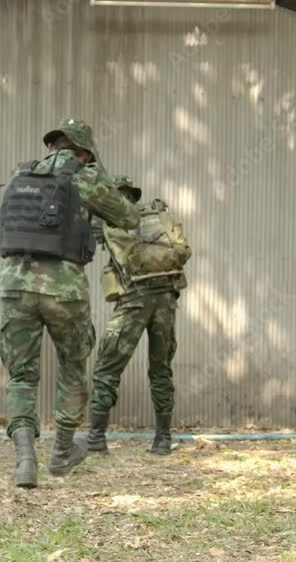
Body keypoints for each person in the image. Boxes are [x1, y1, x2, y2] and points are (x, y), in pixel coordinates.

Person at [0, 119, 138, 489]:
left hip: (14, 285)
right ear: (85, 152)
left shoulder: (21, 173)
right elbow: (128, 217)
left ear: (51, 147)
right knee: (73, 366)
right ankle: (61, 452)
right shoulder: (86, 177)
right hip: (65, 289)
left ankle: (25, 459)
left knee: (20, 375)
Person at [86, 176, 192, 455]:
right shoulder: (155, 215)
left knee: (107, 367)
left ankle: (96, 438)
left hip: (134, 299)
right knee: (161, 369)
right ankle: (163, 439)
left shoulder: (107, 221)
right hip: (166, 299)